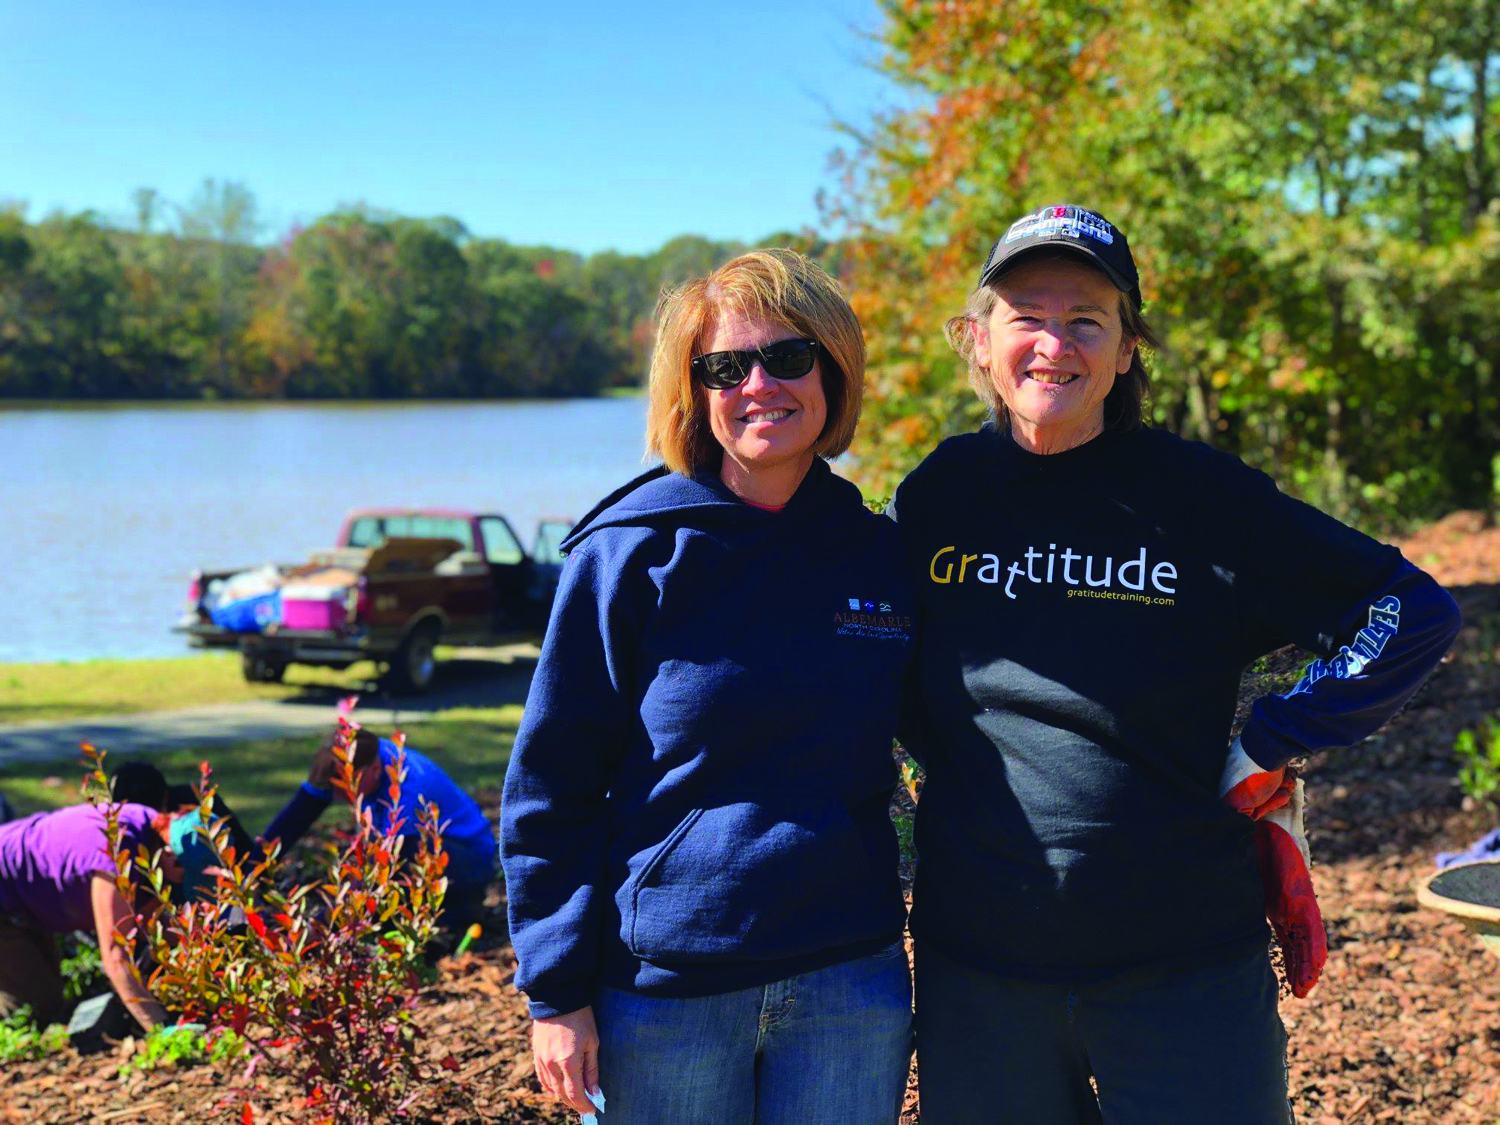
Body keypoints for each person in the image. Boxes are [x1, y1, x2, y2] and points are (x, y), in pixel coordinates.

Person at [890, 203, 1463, 1123]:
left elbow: (1408, 610)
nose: (1054, 344)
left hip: (1186, 972)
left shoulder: (1204, 499)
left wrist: (1276, 734)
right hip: (980, 980)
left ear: (1126, 351)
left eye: (1088, 320)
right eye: (1027, 315)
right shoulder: (936, 498)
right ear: (980, 339)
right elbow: (882, 670)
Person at [501, 249, 917, 1123]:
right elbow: (552, 784)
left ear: (833, 368)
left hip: (850, 976)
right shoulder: (629, 554)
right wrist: (555, 992)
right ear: (695, 390)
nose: (760, 384)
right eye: (727, 367)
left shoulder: (879, 552)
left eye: (788, 356)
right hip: (667, 990)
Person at [262, 727, 497, 935]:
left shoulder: (406, 789)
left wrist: (320, 929)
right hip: (422, 847)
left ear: (374, 769)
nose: (339, 796)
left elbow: (375, 869)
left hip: (468, 858)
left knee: (399, 859)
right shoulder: (359, 760)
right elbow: (299, 814)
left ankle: (455, 917)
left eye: (345, 788)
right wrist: (253, 867)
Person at [0, 802, 180, 1032]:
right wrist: (160, 1027)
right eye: (182, 873)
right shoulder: (116, 856)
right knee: (33, 1008)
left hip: (27, 895)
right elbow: (116, 955)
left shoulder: (149, 825)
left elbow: (153, 923)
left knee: (49, 993)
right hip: (7, 890)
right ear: (169, 853)